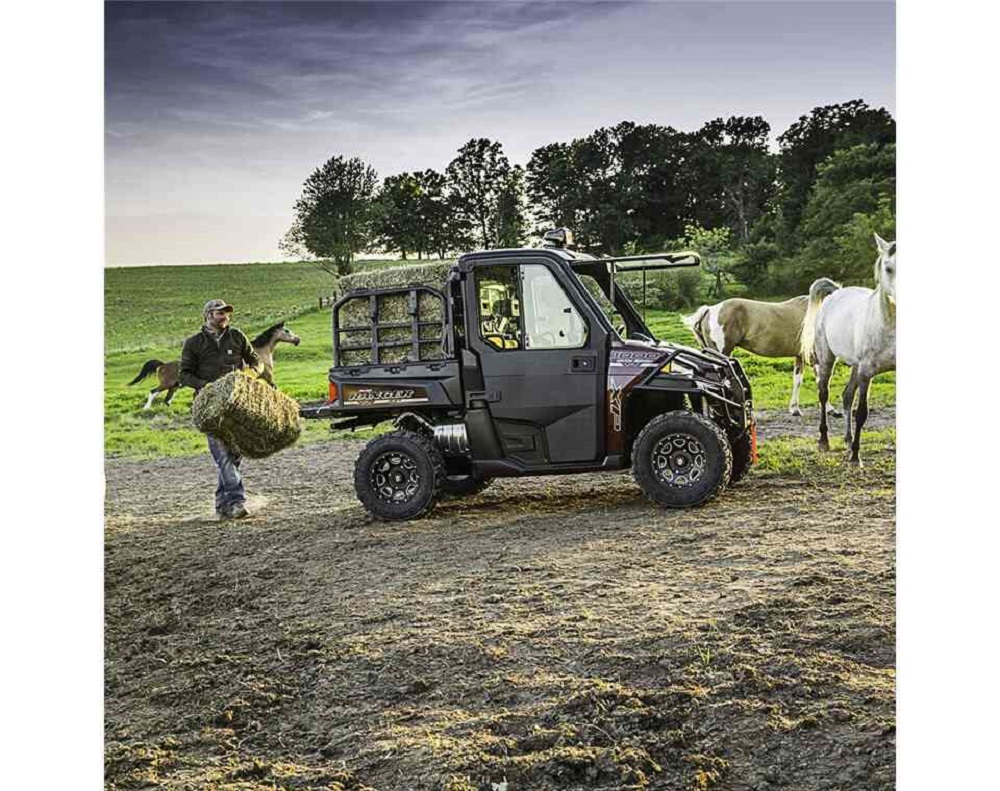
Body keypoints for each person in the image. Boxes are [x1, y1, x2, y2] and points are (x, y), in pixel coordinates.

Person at [179, 299, 263, 520]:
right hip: (209, 408)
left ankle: (221, 505)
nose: (225, 316)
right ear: (208, 315)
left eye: (226, 313)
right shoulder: (194, 343)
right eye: (220, 313)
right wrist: (205, 386)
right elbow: (183, 375)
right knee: (223, 454)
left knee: (233, 455)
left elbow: (256, 361)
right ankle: (236, 501)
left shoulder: (237, 336)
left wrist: (250, 374)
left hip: (237, 405)